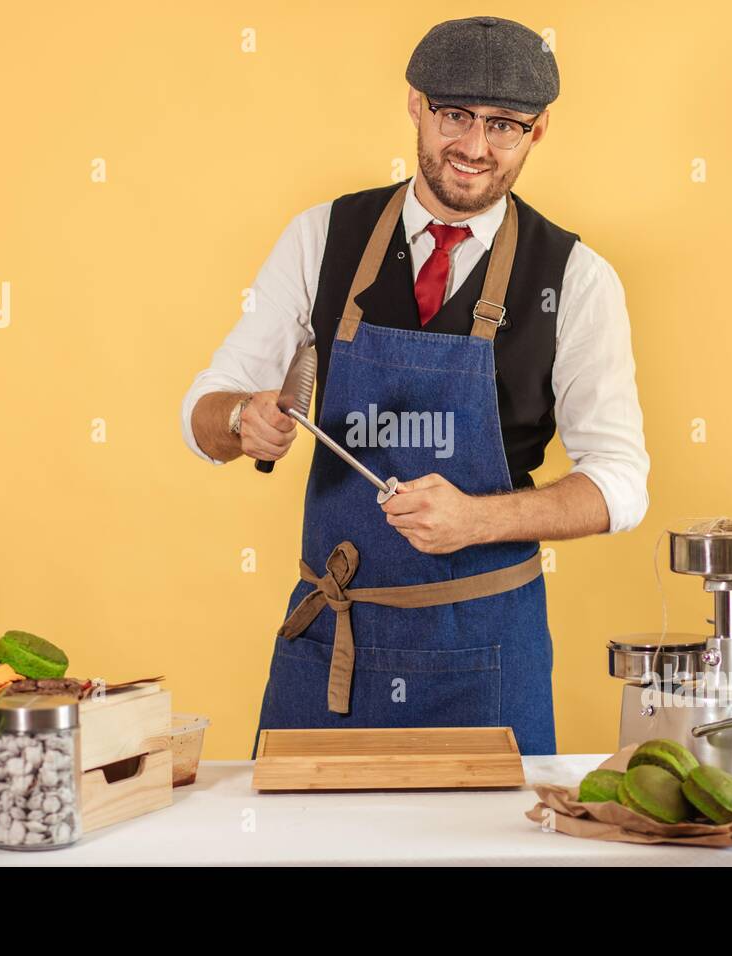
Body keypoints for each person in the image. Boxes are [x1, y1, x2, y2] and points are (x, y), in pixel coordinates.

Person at [182, 16, 649, 754]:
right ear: (415, 104)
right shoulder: (321, 237)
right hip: (335, 640)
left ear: (539, 131)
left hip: (488, 655)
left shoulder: (577, 280)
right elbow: (205, 410)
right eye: (453, 115)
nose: (472, 147)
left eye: (504, 126)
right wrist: (243, 417)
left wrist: (478, 521)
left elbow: (621, 485)